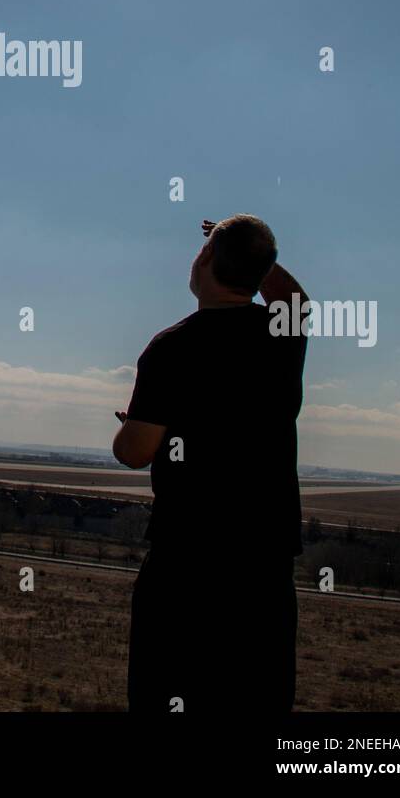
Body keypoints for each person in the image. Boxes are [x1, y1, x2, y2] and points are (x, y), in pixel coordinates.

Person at [113, 215, 308, 714]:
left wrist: (134, 425)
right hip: (264, 565)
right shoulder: (282, 335)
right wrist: (251, 255)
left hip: (188, 560)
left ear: (203, 261)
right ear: (260, 272)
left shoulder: (171, 347)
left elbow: (134, 452)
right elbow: (295, 299)